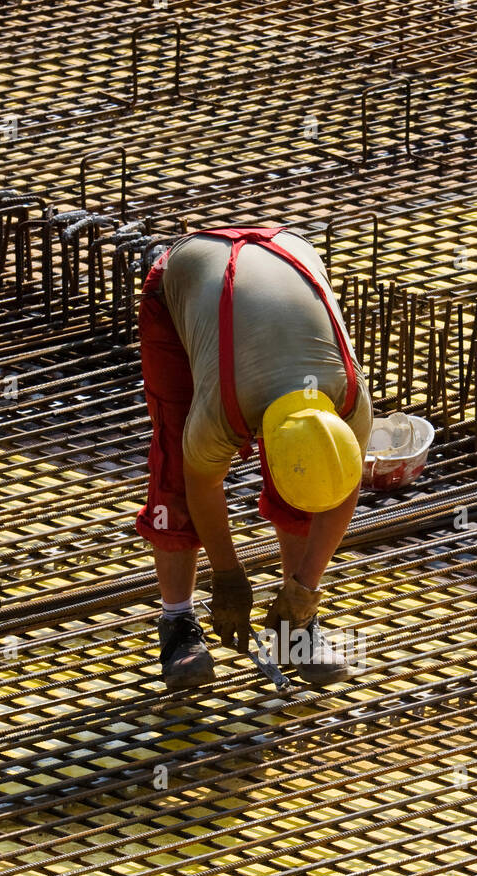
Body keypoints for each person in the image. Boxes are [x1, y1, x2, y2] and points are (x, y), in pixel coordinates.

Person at [136, 225, 372, 689]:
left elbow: (340, 491)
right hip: (187, 276)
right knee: (174, 464)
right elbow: (200, 481)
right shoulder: (226, 407)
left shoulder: (350, 402)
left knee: (313, 477)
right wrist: (227, 577)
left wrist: (303, 589)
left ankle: (298, 629)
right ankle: (177, 624)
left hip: (282, 257)